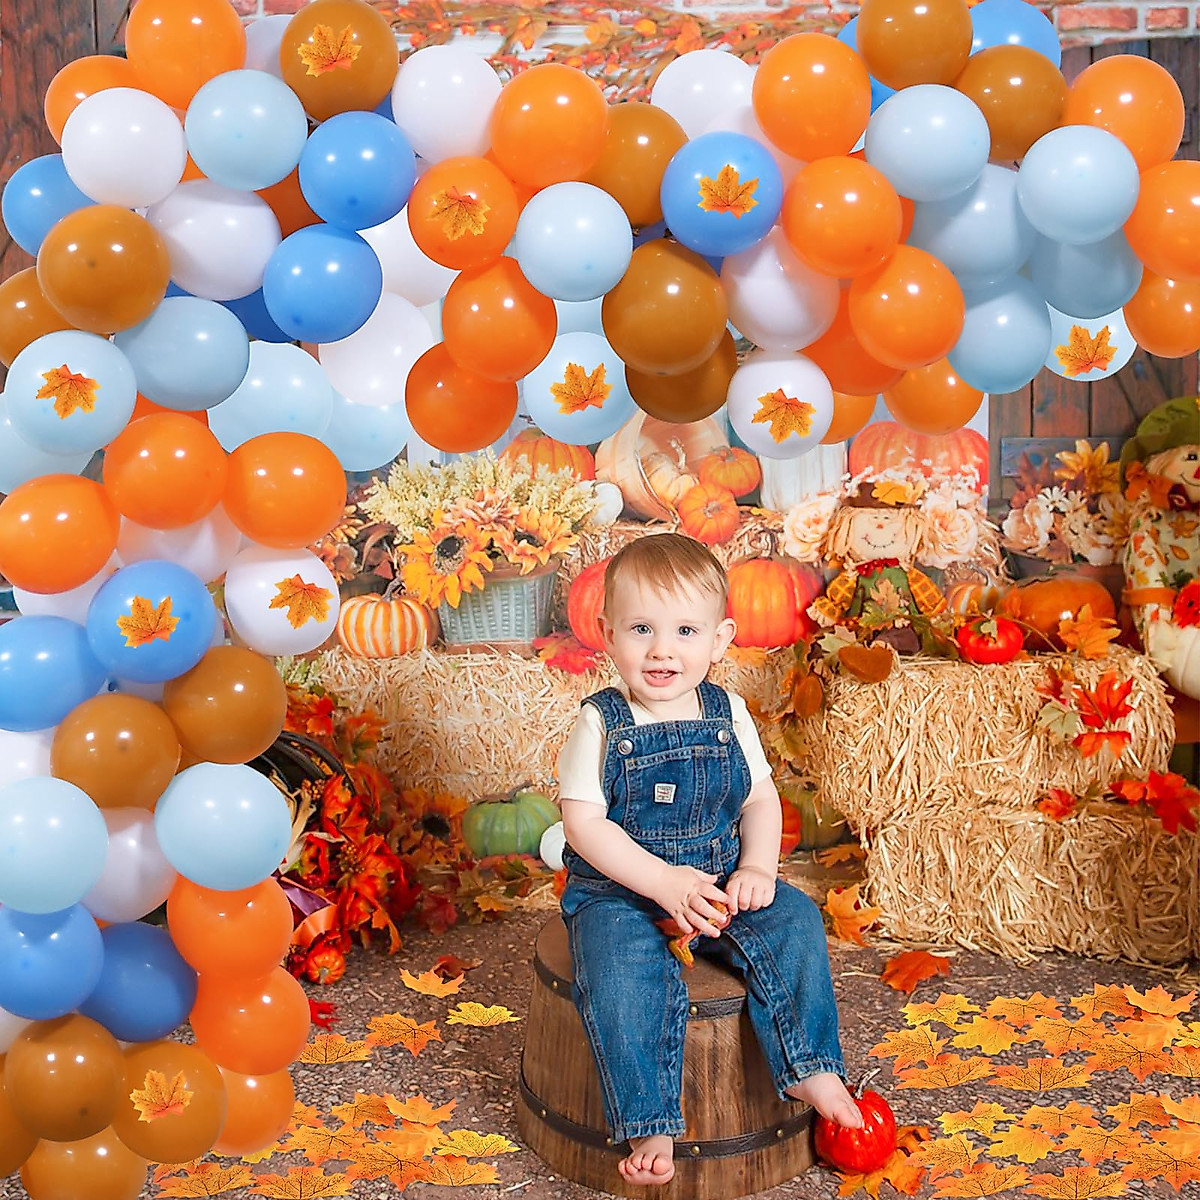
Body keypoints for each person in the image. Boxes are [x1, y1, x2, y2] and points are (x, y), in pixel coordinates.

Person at [556, 532, 863, 1188]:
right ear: (607, 634)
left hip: (719, 877)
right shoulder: (602, 722)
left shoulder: (730, 713)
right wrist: (662, 883)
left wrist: (757, 869)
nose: (662, 649)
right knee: (620, 974)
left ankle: (811, 1065)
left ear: (720, 639)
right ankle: (650, 1119)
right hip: (622, 891)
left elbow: (757, 798)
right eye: (641, 629)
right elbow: (583, 825)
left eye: (685, 630)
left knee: (797, 922)